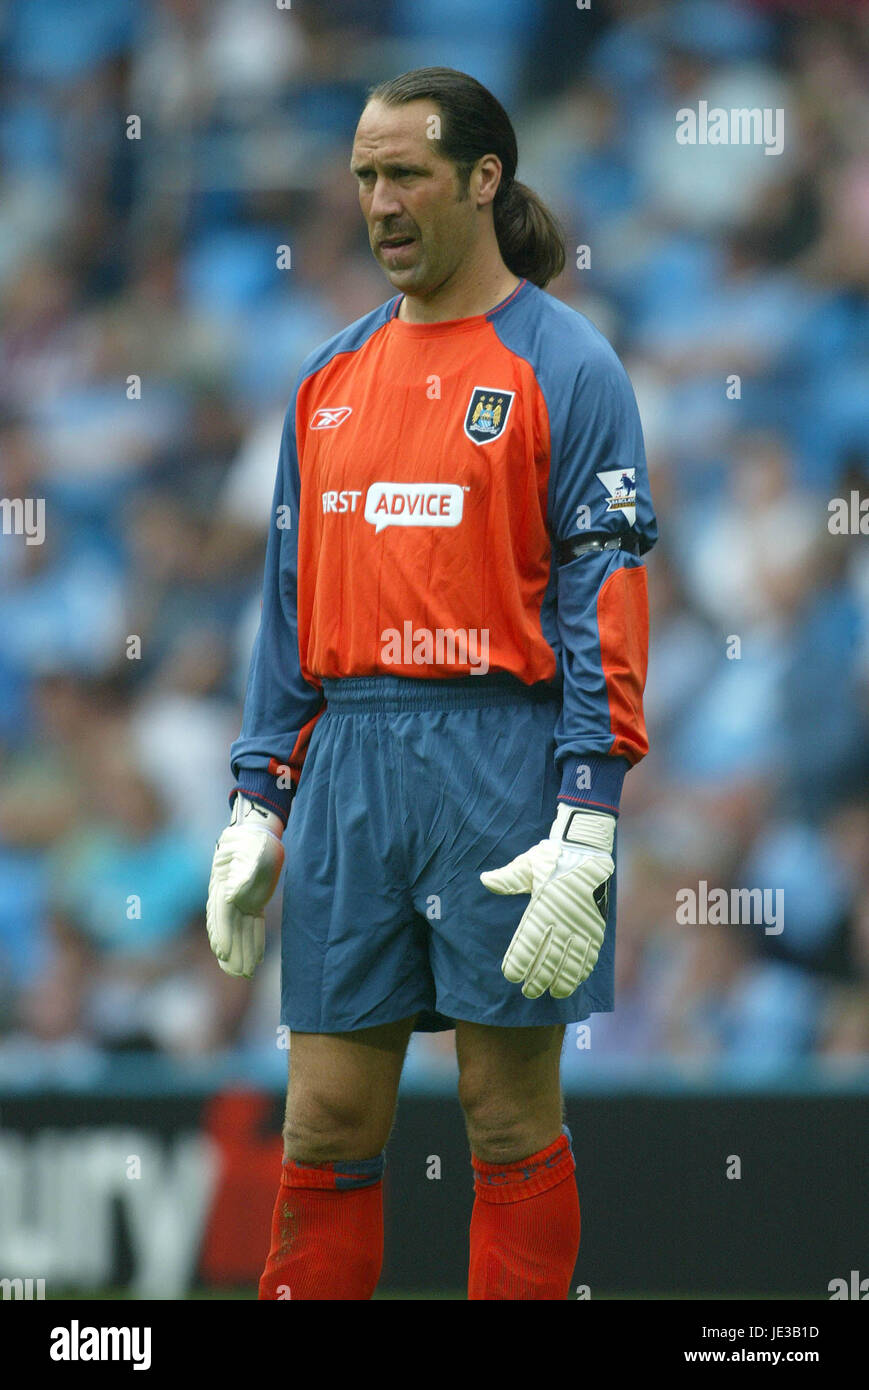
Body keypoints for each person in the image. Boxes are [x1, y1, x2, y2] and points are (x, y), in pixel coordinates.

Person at [206, 66, 656, 1301]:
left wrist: (588, 809)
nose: (381, 201)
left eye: (406, 173)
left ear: (482, 179)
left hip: (501, 766)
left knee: (504, 1115)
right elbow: (289, 611)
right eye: (363, 176)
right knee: (322, 1121)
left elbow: (602, 601)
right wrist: (257, 795)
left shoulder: (566, 366)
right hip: (350, 762)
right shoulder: (325, 381)